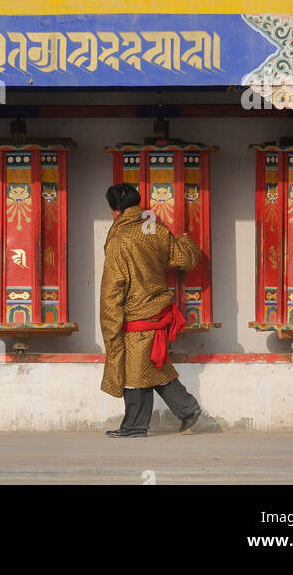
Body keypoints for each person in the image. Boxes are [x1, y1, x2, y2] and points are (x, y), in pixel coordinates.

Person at [99, 181, 203, 437]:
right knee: (152, 367)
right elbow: (185, 259)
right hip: (158, 310)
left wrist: (110, 327)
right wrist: (184, 239)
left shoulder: (119, 241)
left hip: (136, 314)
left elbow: (112, 290)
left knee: (133, 371)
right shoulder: (156, 229)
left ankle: (135, 426)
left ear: (115, 211)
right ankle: (187, 408)